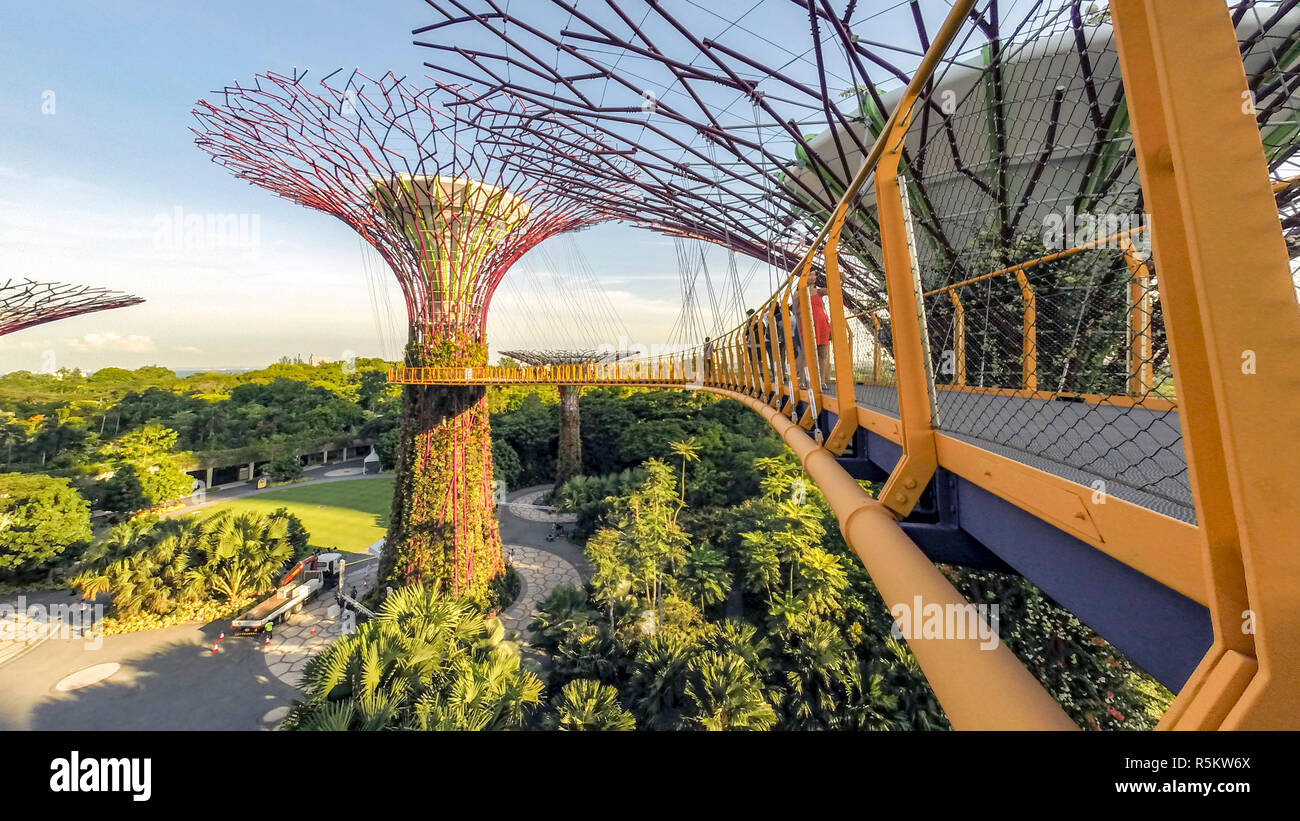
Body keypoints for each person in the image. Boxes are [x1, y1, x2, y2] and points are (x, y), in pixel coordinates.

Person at [811, 286, 832, 392]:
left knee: (823, 353)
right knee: (809, 354)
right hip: (810, 325)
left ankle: (822, 381)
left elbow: (831, 289)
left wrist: (840, 279)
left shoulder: (817, 291)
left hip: (822, 324)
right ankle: (809, 380)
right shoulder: (800, 292)